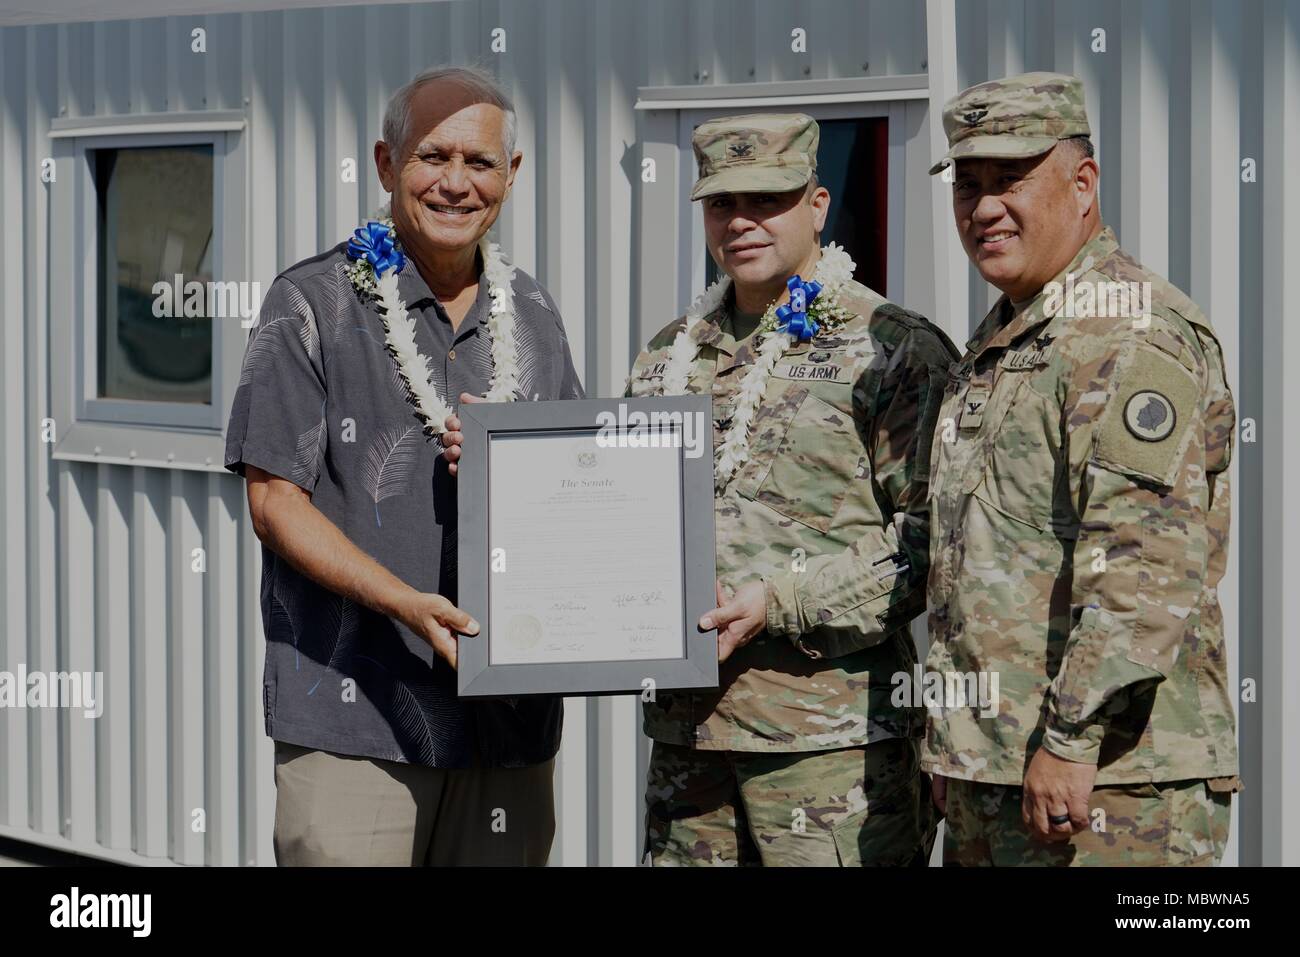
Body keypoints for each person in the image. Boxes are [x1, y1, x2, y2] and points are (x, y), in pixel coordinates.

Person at [224, 64, 582, 866]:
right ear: (387, 165)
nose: (456, 183)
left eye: (480, 162)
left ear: (512, 176)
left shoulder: (535, 315)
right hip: (359, 719)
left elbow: (581, 483)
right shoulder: (309, 302)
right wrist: (406, 604)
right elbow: (275, 500)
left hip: (508, 730)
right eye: (433, 156)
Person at [923, 71, 1241, 865]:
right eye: (968, 184)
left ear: (1083, 183)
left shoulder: (1127, 332)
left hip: (1114, 787)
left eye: (1011, 180)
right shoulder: (1013, 334)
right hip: (1002, 776)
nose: (985, 206)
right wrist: (959, 742)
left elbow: (1143, 568)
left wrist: (1070, 737)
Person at [627, 113, 956, 865]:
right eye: (720, 203)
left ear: (817, 203)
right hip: (691, 745)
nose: (740, 221)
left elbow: (937, 537)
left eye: (766, 199)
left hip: (832, 753)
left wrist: (786, 601)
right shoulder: (666, 356)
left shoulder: (893, 348)